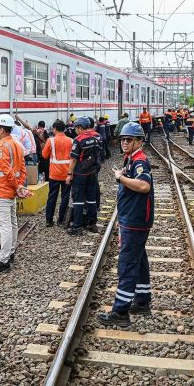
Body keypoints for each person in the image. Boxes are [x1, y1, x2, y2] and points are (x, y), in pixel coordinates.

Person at [97, 122, 154, 328]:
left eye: (129, 139)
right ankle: (142, 301)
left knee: (127, 263)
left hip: (135, 220)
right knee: (138, 260)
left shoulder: (140, 162)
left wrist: (120, 178)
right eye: (122, 139)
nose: (124, 143)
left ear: (139, 141)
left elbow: (144, 185)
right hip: (133, 218)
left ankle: (120, 311)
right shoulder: (131, 159)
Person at [0, 114, 30, 271]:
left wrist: (17, 187)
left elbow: (6, 170)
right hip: (9, 191)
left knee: (5, 226)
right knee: (12, 223)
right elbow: (22, 168)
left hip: (1, 190)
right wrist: (19, 186)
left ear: (2, 130)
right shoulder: (16, 144)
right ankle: (9, 252)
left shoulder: (3, 146)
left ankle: (3, 260)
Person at [66, 116, 101, 236]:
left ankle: (77, 227)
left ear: (80, 128)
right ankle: (92, 224)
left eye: (76, 128)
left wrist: (69, 174)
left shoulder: (78, 140)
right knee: (91, 199)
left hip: (80, 174)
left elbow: (73, 159)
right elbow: (97, 156)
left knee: (78, 200)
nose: (75, 130)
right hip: (92, 173)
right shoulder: (95, 138)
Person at [42, 119, 72, 227]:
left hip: (54, 174)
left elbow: (44, 155)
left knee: (52, 196)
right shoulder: (71, 141)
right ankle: (61, 220)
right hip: (67, 174)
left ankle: (49, 221)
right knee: (65, 197)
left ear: (54, 129)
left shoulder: (51, 141)